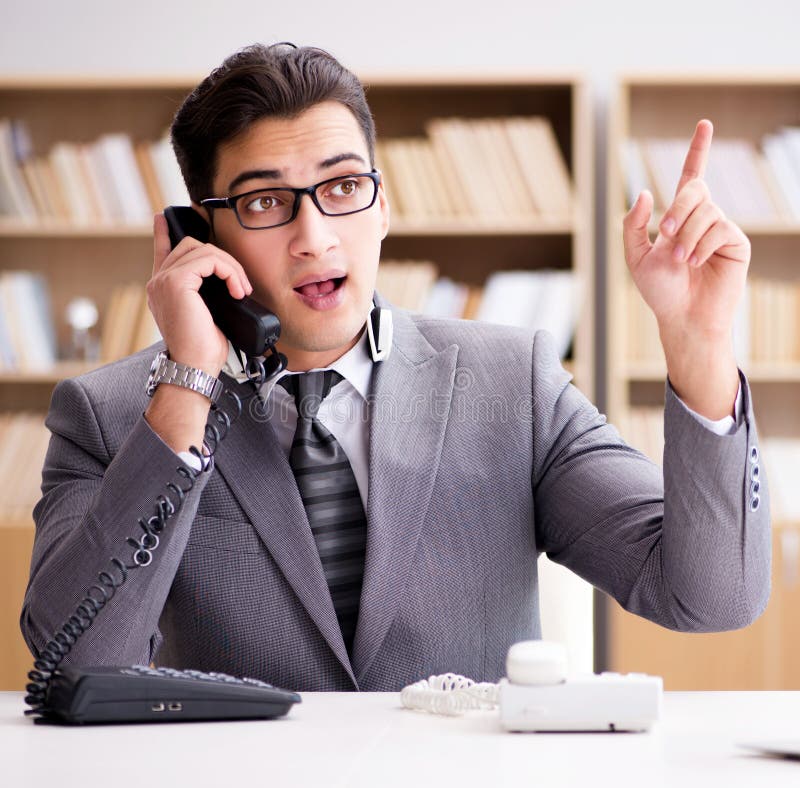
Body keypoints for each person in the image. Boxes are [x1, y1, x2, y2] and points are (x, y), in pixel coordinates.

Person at [21, 43, 770, 692]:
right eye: (266, 202)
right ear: (201, 235)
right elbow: (74, 667)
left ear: (382, 208)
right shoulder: (108, 416)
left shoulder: (514, 383)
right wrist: (187, 386)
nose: (315, 237)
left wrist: (698, 343)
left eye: (344, 187)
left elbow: (711, 598)